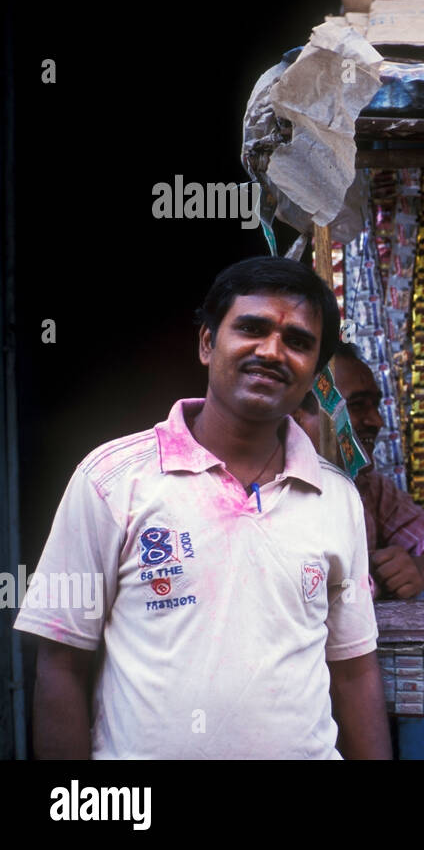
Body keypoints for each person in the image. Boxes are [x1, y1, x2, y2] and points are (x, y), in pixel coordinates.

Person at [15, 257, 390, 759]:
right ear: (207, 343)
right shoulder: (112, 479)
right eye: (252, 329)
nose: (272, 351)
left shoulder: (337, 497)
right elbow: (61, 665)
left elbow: (354, 670)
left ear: (315, 374)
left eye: (298, 342)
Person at [291, 344, 424, 598]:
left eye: (375, 406)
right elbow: (303, 589)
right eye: (358, 405)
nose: (377, 421)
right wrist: (374, 581)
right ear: (297, 416)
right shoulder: (267, 489)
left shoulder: (368, 488)